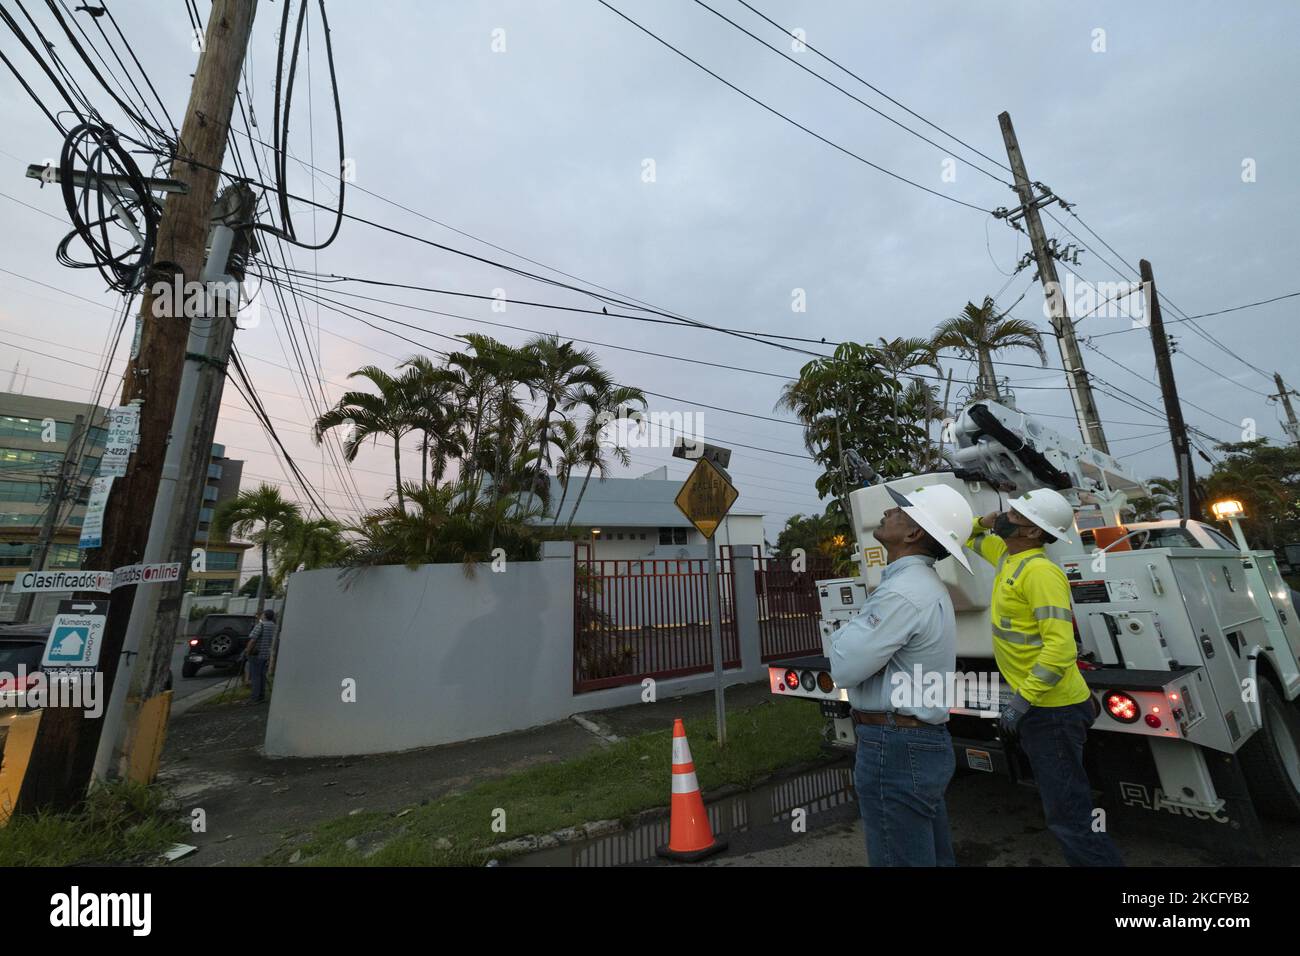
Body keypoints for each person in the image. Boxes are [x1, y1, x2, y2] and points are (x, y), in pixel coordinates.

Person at [968, 488, 1124, 867]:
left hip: (1052, 709)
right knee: (1066, 804)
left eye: (1016, 515)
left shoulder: (1040, 572)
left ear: (1034, 533)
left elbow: (1061, 647)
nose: (1005, 516)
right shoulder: (1008, 557)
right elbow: (969, 539)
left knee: (1068, 813)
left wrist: (1023, 700)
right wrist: (982, 522)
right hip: (1045, 707)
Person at [830, 483, 974, 867]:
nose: (888, 512)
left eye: (902, 511)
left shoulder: (904, 592)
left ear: (913, 534)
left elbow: (844, 666)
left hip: (894, 746)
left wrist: (840, 632)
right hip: (914, 740)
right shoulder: (920, 585)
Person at [245, 609, 278, 704]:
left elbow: (253, 640)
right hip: (266, 654)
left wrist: (247, 650)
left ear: (265, 615)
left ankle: (254, 698)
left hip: (256, 654)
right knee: (262, 676)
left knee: (255, 676)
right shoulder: (274, 626)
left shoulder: (261, 625)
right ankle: (261, 696)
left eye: (262, 614)